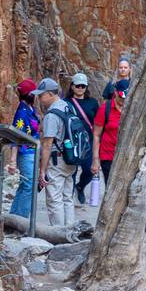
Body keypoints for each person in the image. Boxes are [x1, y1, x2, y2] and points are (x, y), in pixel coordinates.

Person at [35, 78, 76, 228]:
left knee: (54, 199)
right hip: (71, 159)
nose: (39, 99)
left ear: (51, 94)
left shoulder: (51, 115)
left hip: (57, 160)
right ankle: (70, 231)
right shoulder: (68, 107)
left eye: (41, 95)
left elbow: (47, 145)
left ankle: (58, 233)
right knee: (67, 197)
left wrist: (42, 171)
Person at [63, 73, 99, 203]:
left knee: (90, 171)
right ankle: (69, 199)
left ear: (86, 87)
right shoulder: (65, 103)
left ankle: (80, 186)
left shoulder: (93, 103)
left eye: (83, 86)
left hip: (87, 143)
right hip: (71, 143)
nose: (80, 88)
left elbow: (98, 123)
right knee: (71, 171)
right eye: (77, 85)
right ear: (72, 86)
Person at [7, 78, 39, 218]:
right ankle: (22, 219)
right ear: (29, 94)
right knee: (29, 186)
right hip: (26, 153)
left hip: (32, 152)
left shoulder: (30, 109)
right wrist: (13, 161)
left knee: (25, 185)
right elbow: (16, 136)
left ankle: (14, 216)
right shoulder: (22, 112)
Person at [91, 78, 129, 186]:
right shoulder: (105, 108)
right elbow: (96, 135)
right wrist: (95, 160)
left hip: (126, 156)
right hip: (108, 156)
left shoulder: (132, 109)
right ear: (115, 92)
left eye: (125, 98)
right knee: (111, 187)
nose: (123, 100)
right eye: (121, 97)